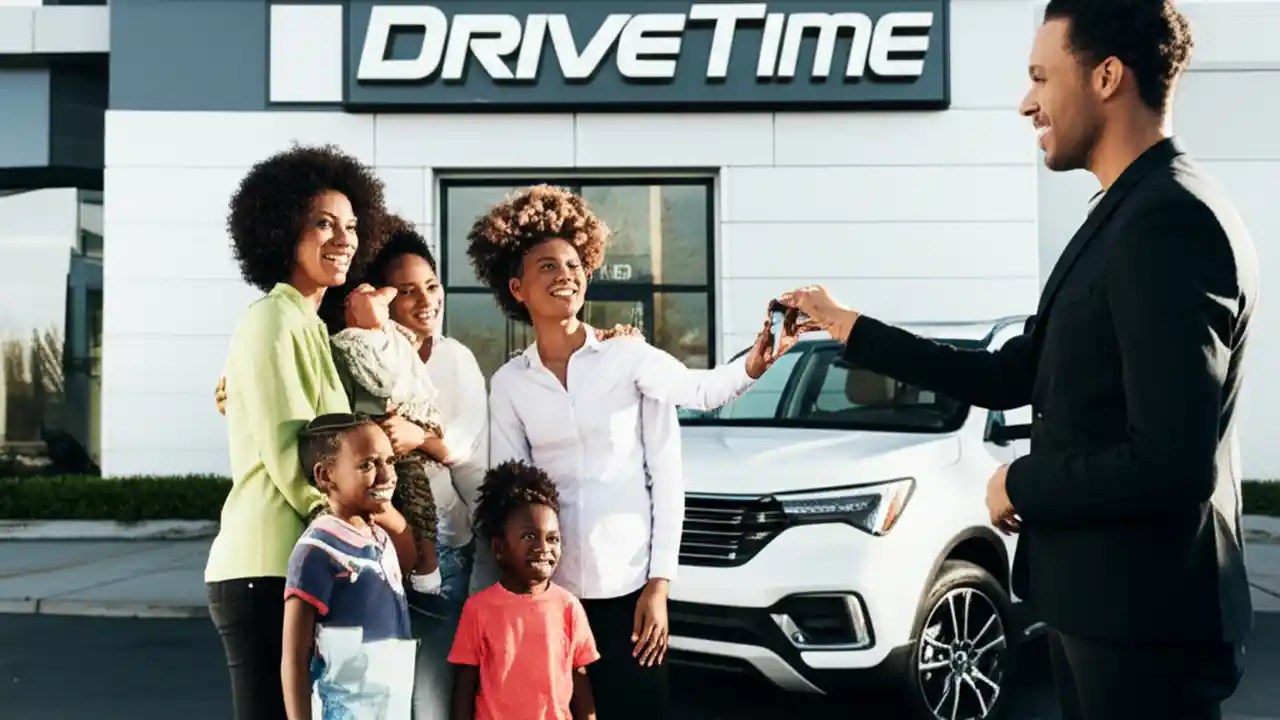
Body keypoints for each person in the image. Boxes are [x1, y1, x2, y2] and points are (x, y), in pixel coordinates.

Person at [780, 2, 1258, 718]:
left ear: (1106, 77)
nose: (1026, 101)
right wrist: (850, 328)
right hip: (1100, 616)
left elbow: (1170, 462)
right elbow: (1011, 373)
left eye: (1040, 76)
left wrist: (1021, 482)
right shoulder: (1124, 213)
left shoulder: (1168, 221)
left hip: (1142, 630)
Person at [466, 184, 797, 719]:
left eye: (574, 264)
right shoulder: (509, 383)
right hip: (555, 596)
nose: (564, 275)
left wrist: (658, 586)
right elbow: (510, 497)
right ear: (517, 287)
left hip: (631, 591)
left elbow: (689, 424)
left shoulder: (629, 356)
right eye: (546, 266)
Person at [207, 144, 416, 720]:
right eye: (323, 223)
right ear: (281, 230)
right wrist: (370, 528)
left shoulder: (309, 326)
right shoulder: (273, 318)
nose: (343, 238)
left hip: (308, 563)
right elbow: (296, 461)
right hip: (267, 566)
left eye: (350, 226)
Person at [282, 413, 417, 720]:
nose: (387, 475)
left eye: (390, 461)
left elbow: (411, 560)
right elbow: (294, 660)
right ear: (326, 476)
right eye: (367, 464)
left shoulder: (381, 538)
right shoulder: (317, 552)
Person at [447, 459, 600, 720]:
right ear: (499, 549)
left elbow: (580, 681)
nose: (544, 547)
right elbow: (465, 684)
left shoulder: (568, 606)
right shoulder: (479, 608)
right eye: (529, 536)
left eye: (553, 538)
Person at [331, 281, 445, 594]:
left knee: (412, 489)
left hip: (401, 440)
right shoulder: (343, 347)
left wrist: (417, 432)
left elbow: (448, 441)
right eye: (407, 290)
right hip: (364, 441)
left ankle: (425, 562)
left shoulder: (399, 344)